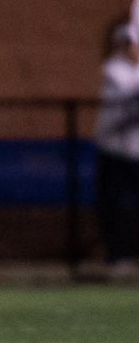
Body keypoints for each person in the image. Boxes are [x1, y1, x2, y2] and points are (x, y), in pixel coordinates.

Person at [94, 18, 139, 272]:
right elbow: (128, 96)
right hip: (112, 149)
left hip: (135, 151)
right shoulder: (114, 69)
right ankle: (117, 256)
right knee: (111, 204)